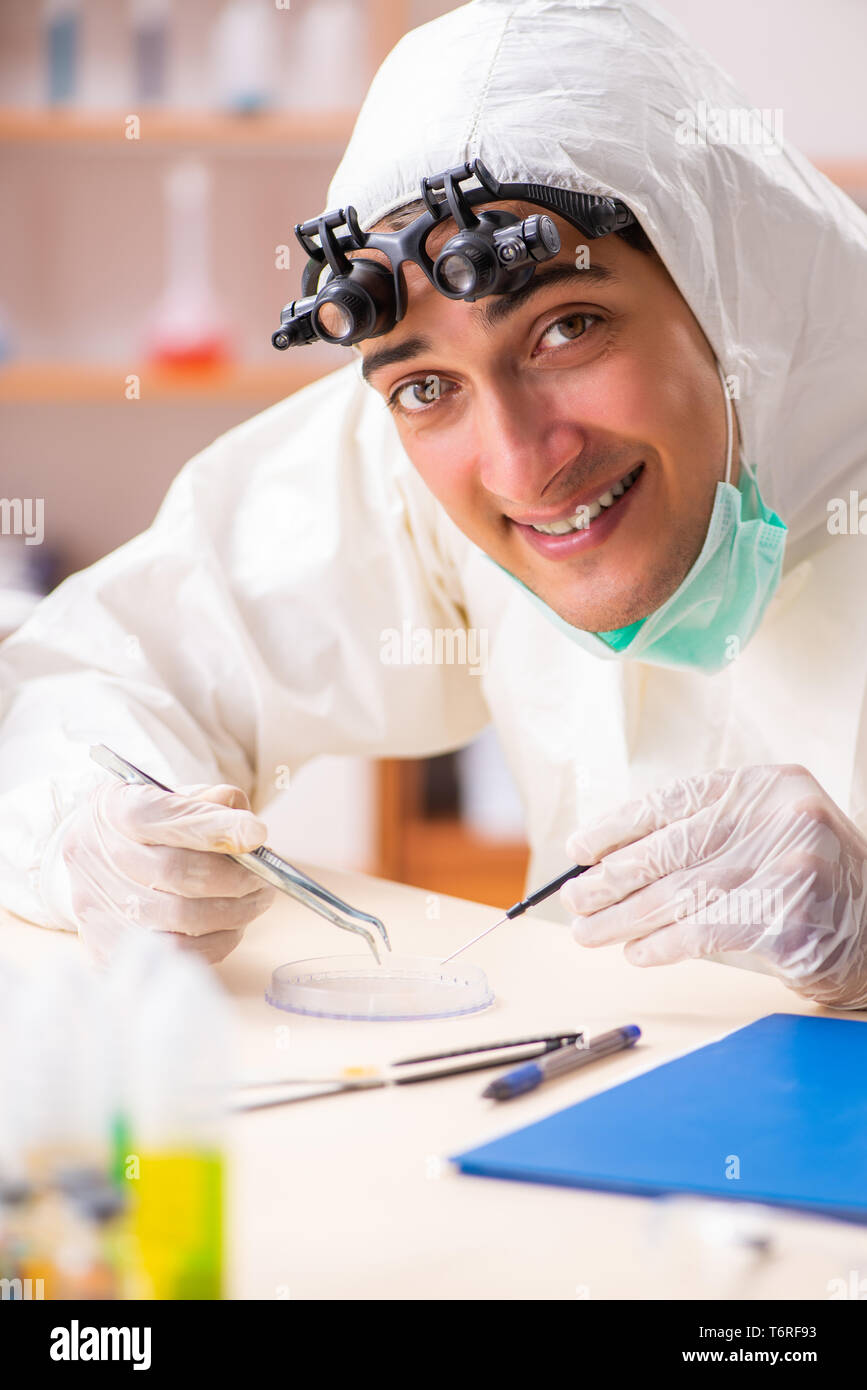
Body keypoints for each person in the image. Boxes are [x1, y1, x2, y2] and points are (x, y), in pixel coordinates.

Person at [1, 0, 866, 1005]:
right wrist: (97, 832)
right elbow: (103, 669)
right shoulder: (423, 445)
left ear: (728, 286)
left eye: (567, 327)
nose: (518, 464)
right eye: (423, 385)